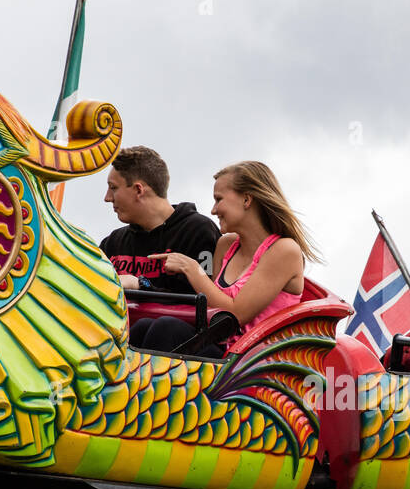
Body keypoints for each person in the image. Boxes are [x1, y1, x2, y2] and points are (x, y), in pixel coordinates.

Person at [130, 161, 320, 357]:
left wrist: (192, 269)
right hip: (220, 350)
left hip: (249, 364)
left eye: (218, 199)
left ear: (246, 200)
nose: (213, 210)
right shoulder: (226, 244)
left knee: (167, 329)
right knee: (143, 326)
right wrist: (144, 285)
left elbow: (234, 316)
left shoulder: (284, 251)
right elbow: (209, 310)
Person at [100, 146, 220, 293]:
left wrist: (141, 285)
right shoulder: (112, 242)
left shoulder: (199, 231)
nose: (107, 198)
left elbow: (204, 301)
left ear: (139, 190)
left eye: (113, 188)